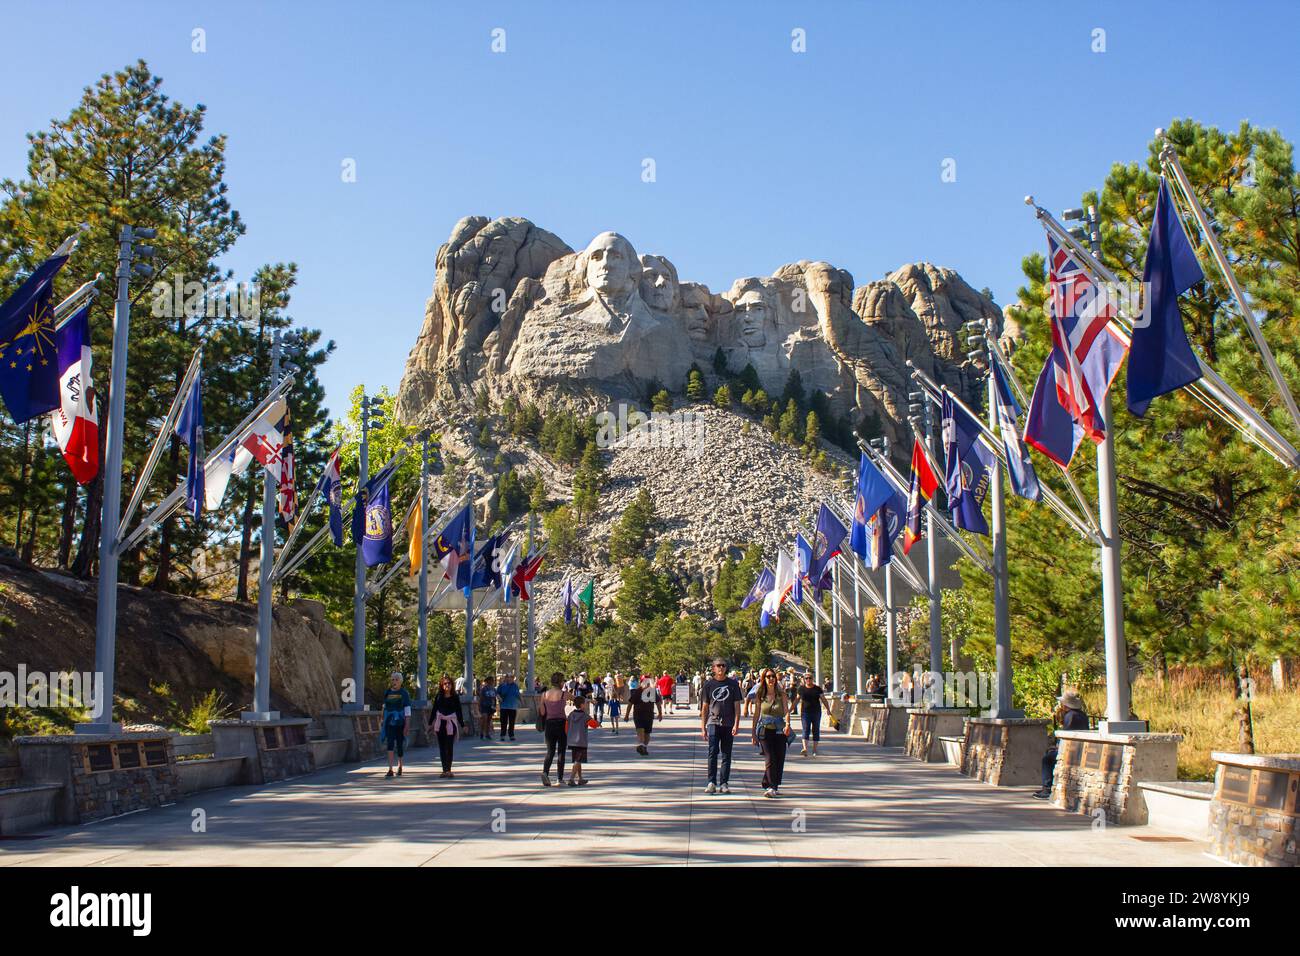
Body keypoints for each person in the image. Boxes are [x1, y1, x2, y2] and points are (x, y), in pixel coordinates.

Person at [1035, 689, 1090, 798]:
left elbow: (1067, 737)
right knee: (1050, 755)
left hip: (1071, 750)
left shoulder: (1070, 716)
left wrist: (1058, 749)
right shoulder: (1082, 715)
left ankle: (1047, 788)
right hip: (1080, 748)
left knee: (1047, 759)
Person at [700, 658, 743, 794]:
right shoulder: (708, 685)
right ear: (713, 668)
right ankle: (711, 782)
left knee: (726, 754)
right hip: (713, 722)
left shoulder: (733, 684)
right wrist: (703, 727)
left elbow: (737, 706)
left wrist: (737, 724)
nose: (721, 668)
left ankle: (724, 783)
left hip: (728, 723)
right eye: (718, 666)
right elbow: (705, 707)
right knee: (712, 753)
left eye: (723, 666)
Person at [751, 668, 792, 797]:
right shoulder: (760, 695)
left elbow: (786, 711)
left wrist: (788, 725)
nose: (771, 679)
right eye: (768, 676)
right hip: (765, 729)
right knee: (770, 757)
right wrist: (753, 732)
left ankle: (768, 781)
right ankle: (771, 786)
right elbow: (757, 714)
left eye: (773, 676)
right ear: (764, 679)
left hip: (780, 729)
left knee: (779, 757)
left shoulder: (782, 695)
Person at [428, 675, 464, 778]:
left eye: (449, 683)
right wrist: (430, 723)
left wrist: (462, 724)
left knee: (449, 747)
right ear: (441, 685)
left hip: (450, 723)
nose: (447, 685)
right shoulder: (439, 697)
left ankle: (449, 769)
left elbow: (459, 711)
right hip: (440, 723)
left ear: (452, 685)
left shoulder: (455, 697)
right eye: (445, 683)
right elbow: (434, 710)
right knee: (442, 747)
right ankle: (444, 770)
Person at [539, 671, 570, 787]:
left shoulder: (544, 695)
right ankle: (559, 778)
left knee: (550, 751)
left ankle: (545, 773)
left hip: (549, 724)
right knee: (561, 751)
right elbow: (578, 700)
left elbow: (542, 712)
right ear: (561, 682)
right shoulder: (564, 694)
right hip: (561, 723)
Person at [380, 672, 411, 778]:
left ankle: (400, 765)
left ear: (401, 681)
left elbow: (407, 710)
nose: (394, 682)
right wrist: (382, 719)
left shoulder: (404, 693)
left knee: (399, 744)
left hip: (400, 722)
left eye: (396, 679)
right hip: (389, 722)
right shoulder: (387, 692)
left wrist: (407, 724)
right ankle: (390, 769)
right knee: (390, 744)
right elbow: (384, 707)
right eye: (392, 679)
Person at [629, 673, 663, 756]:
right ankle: (642, 746)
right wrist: (660, 713)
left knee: (644, 732)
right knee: (643, 732)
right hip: (642, 715)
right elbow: (630, 703)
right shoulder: (642, 691)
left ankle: (642, 746)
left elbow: (658, 702)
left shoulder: (644, 691)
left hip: (644, 715)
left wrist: (660, 713)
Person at [796, 671, 826, 756]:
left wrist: (828, 709)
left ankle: (814, 749)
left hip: (816, 712)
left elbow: (823, 699)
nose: (808, 680)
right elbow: (797, 699)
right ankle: (805, 748)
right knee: (806, 729)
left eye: (810, 678)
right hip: (805, 712)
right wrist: (790, 709)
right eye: (806, 678)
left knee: (816, 730)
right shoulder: (801, 689)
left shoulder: (817, 689)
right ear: (804, 680)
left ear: (813, 679)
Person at [566, 694, 592, 786]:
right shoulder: (585, 716)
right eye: (584, 703)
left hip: (572, 740)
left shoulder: (571, 714)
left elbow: (566, 726)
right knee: (578, 760)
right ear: (581, 705)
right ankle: (571, 778)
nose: (585, 705)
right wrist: (597, 723)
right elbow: (593, 724)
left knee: (577, 760)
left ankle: (580, 778)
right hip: (581, 741)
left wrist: (568, 735)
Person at [498, 673, 521, 741]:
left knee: (512, 722)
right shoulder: (502, 685)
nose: (509, 678)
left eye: (511, 677)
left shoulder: (515, 686)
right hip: (504, 706)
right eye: (508, 677)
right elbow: (497, 693)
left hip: (513, 706)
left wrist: (521, 701)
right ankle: (502, 735)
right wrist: (499, 698)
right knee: (503, 722)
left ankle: (511, 735)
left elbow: (518, 694)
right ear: (506, 678)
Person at [477, 675, 498, 739]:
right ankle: (481, 732)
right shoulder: (484, 689)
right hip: (484, 706)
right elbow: (481, 698)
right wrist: (479, 706)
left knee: (489, 720)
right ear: (488, 681)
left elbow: (494, 698)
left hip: (491, 706)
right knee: (484, 718)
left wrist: (495, 706)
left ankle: (487, 733)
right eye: (491, 680)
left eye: (493, 680)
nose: (492, 682)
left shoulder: (494, 689)